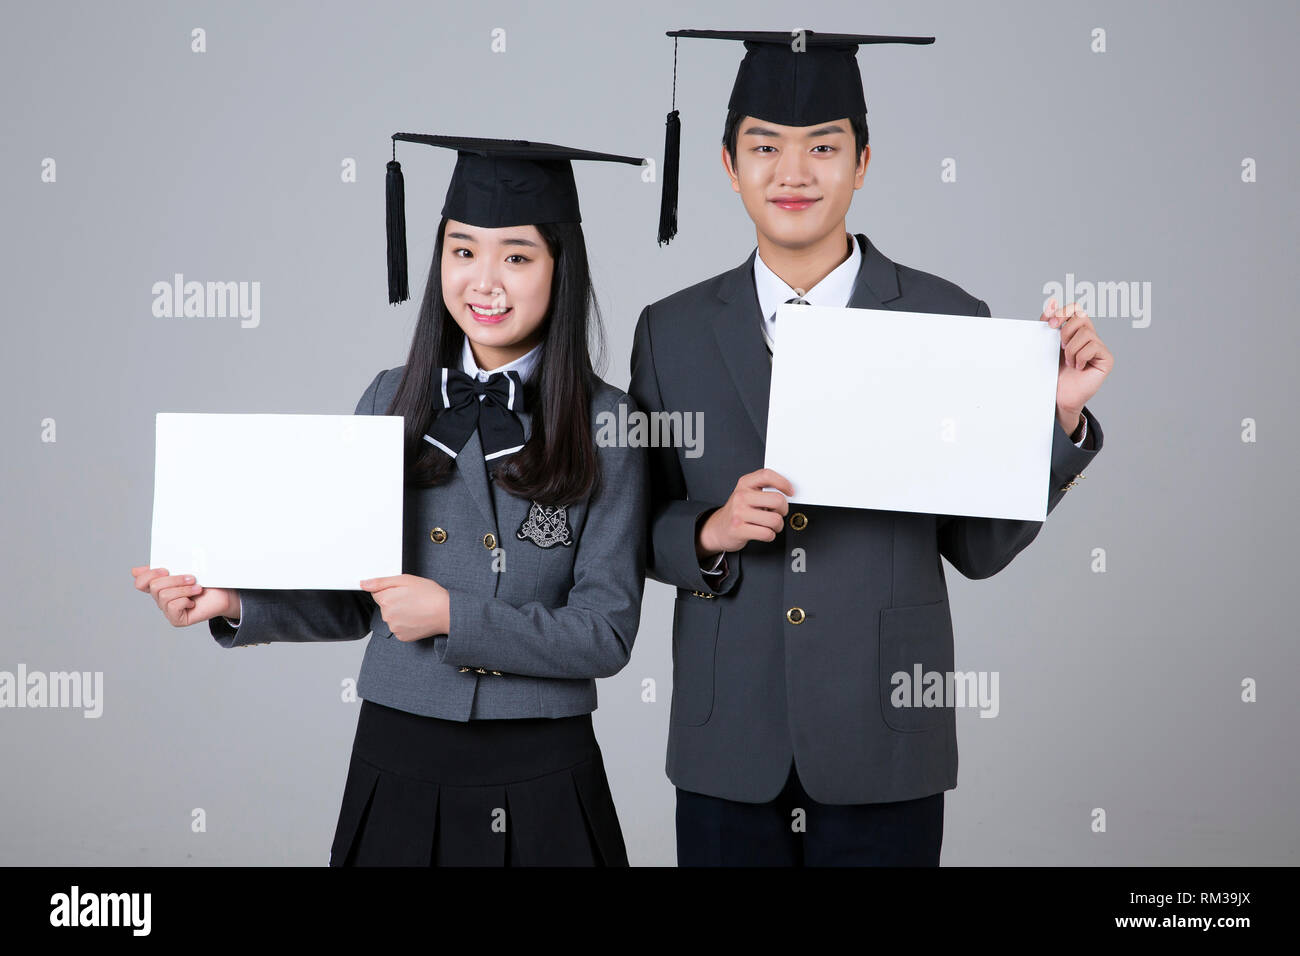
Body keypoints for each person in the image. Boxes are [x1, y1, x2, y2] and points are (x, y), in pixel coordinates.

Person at [630, 29, 1114, 865]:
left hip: (884, 734)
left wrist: (1058, 423)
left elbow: (977, 548)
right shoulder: (670, 331)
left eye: (822, 147)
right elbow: (635, 526)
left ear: (861, 162)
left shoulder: (949, 319)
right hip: (728, 732)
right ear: (725, 163)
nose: (793, 173)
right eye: (765, 148)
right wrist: (708, 531)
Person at [132, 133, 650, 866]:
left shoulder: (610, 423)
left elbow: (605, 633)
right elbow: (351, 597)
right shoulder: (390, 397)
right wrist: (232, 601)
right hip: (401, 743)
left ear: (561, 266)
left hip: (542, 757)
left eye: (518, 256)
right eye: (463, 251)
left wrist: (453, 617)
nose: (485, 281)